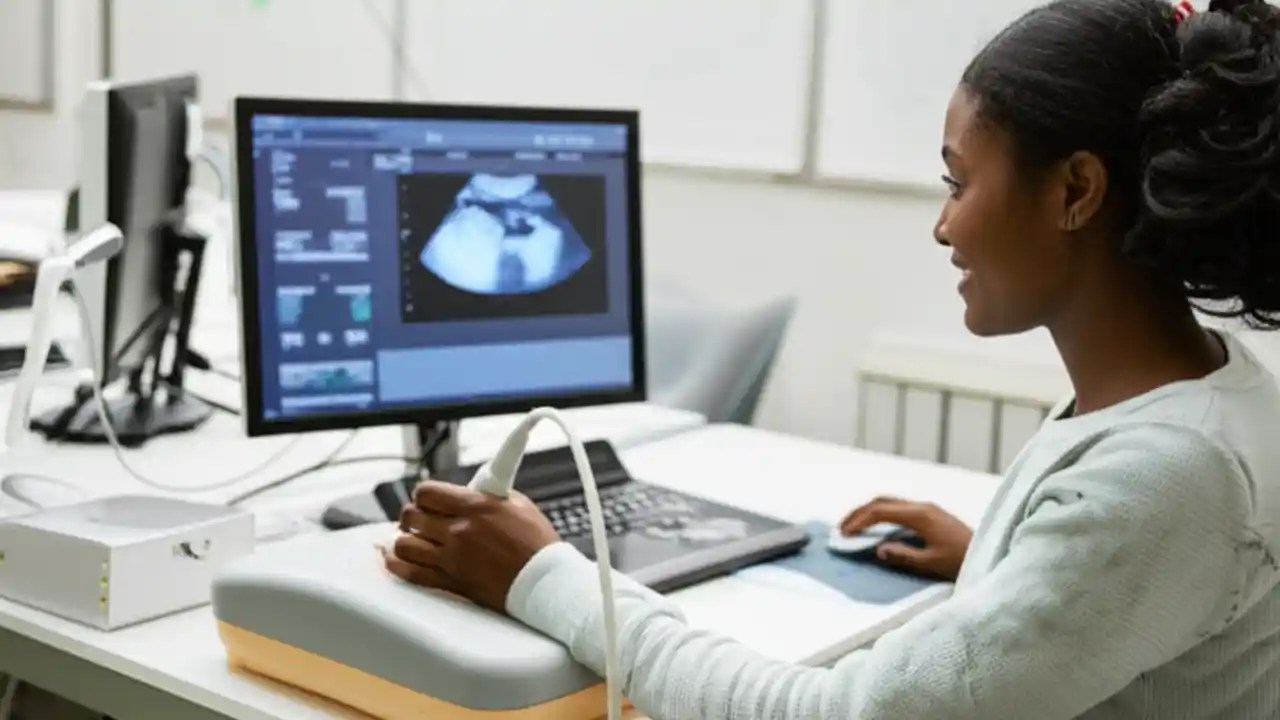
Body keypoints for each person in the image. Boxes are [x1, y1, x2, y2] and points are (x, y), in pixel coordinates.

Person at [384, 0, 1280, 716]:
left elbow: (830, 712)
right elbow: (1150, 588)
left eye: (958, 181)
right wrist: (1010, 568)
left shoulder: (1167, 479)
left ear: (1076, 190)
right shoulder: (1209, 388)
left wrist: (547, 579)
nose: (943, 224)